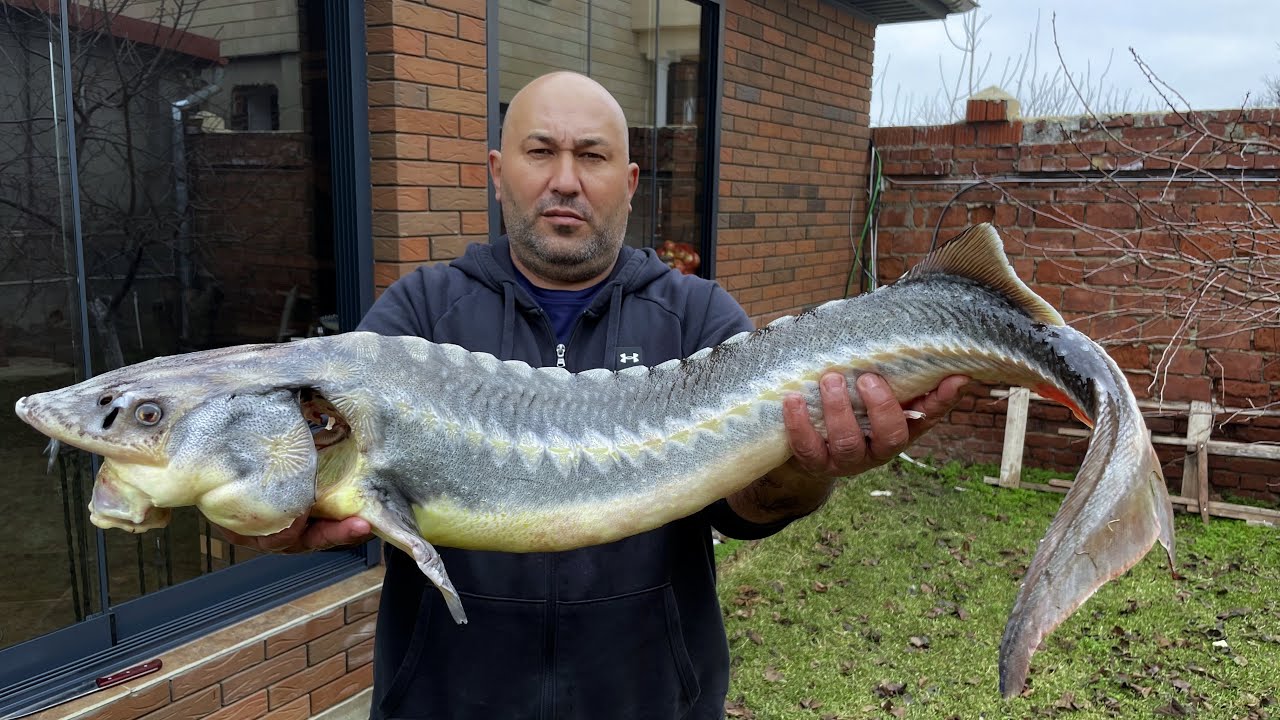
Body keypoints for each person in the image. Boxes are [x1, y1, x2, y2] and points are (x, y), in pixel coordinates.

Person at [223, 71, 967, 719]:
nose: (566, 179)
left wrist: (808, 469)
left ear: (631, 181)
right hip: (447, 703)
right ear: (497, 170)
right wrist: (269, 509)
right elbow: (319, 466)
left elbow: (747, 514)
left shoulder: (703, 320)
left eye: (593, 156)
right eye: (540, 151)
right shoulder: (417, 319)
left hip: (650, 700)